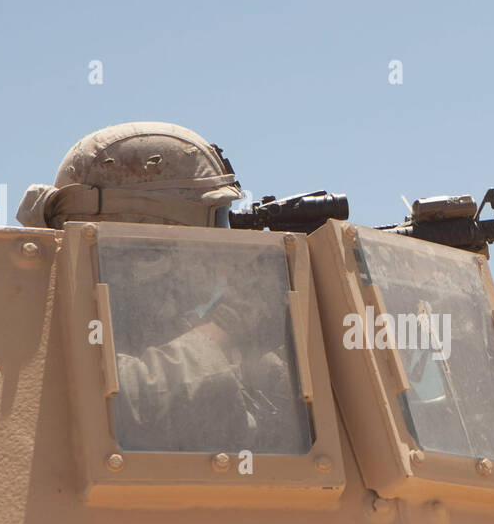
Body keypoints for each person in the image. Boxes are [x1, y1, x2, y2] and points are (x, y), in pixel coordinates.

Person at [18, 122, 311, 455]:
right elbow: (118, 405)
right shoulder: (48, 317)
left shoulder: (162, 323)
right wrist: (225, 329)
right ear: (150, 246)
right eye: (219, 220)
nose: (227, 243)